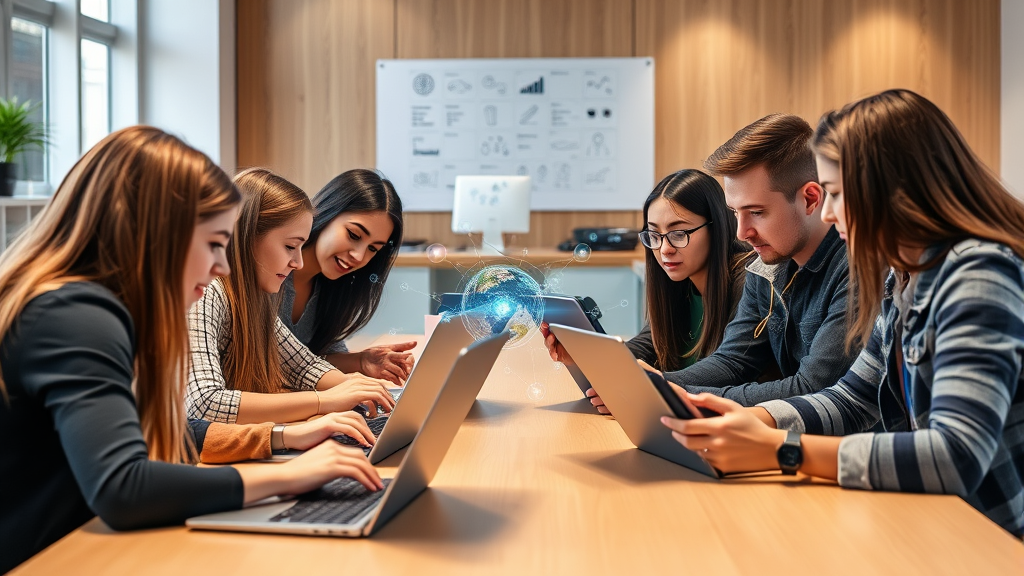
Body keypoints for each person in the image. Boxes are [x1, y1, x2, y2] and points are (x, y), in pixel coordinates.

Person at [0, 127, 383, 573]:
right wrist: (288, 475)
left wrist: (282, 437)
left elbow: (155, 433)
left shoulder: (96, 308)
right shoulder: (76, 314)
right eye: (213, 244)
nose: (222, 265)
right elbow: (123, 486)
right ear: (157, 233)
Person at [662, 89, 1024, 537]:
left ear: (891, 191)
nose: (829, 214)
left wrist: (781, 449)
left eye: (835, 193)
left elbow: (955, 456)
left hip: (992, 539)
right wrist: (750, 420)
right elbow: (852, 399)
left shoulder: (978, 273)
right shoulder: (903, 278)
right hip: (936, 524)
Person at [660, 114, 858, 406]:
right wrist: (657, 383)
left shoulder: (856, 269)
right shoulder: (767, 260)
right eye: (735, 212)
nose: (742, 233)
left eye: (757, 212)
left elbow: (812, 389)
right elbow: (733, 361)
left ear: (810, 199)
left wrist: (683, 396)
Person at [187, 168, 395, 424]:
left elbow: (302, 366)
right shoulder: (204, 292)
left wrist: (359, 388)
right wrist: (323, 401)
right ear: (247, 234)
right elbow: (203, 404)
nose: (297, 262)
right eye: (289, 246)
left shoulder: (254, 297)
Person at [540, 169, 750, 413]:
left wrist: (653, 386)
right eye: (654, 235)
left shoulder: (748, 281)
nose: (664, 249)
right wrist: (589, 361)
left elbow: (730, 365)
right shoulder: (677, 279)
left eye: (679, 233)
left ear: (717, 227)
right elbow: (650, 343)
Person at [281, 169, 415, 386]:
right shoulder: (272, 273)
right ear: (326, 212)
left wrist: (362, 361)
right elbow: (280, 365)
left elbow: (315, 359)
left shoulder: (332, 287)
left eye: (373, 249)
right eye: (354, 235)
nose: (359, 256)